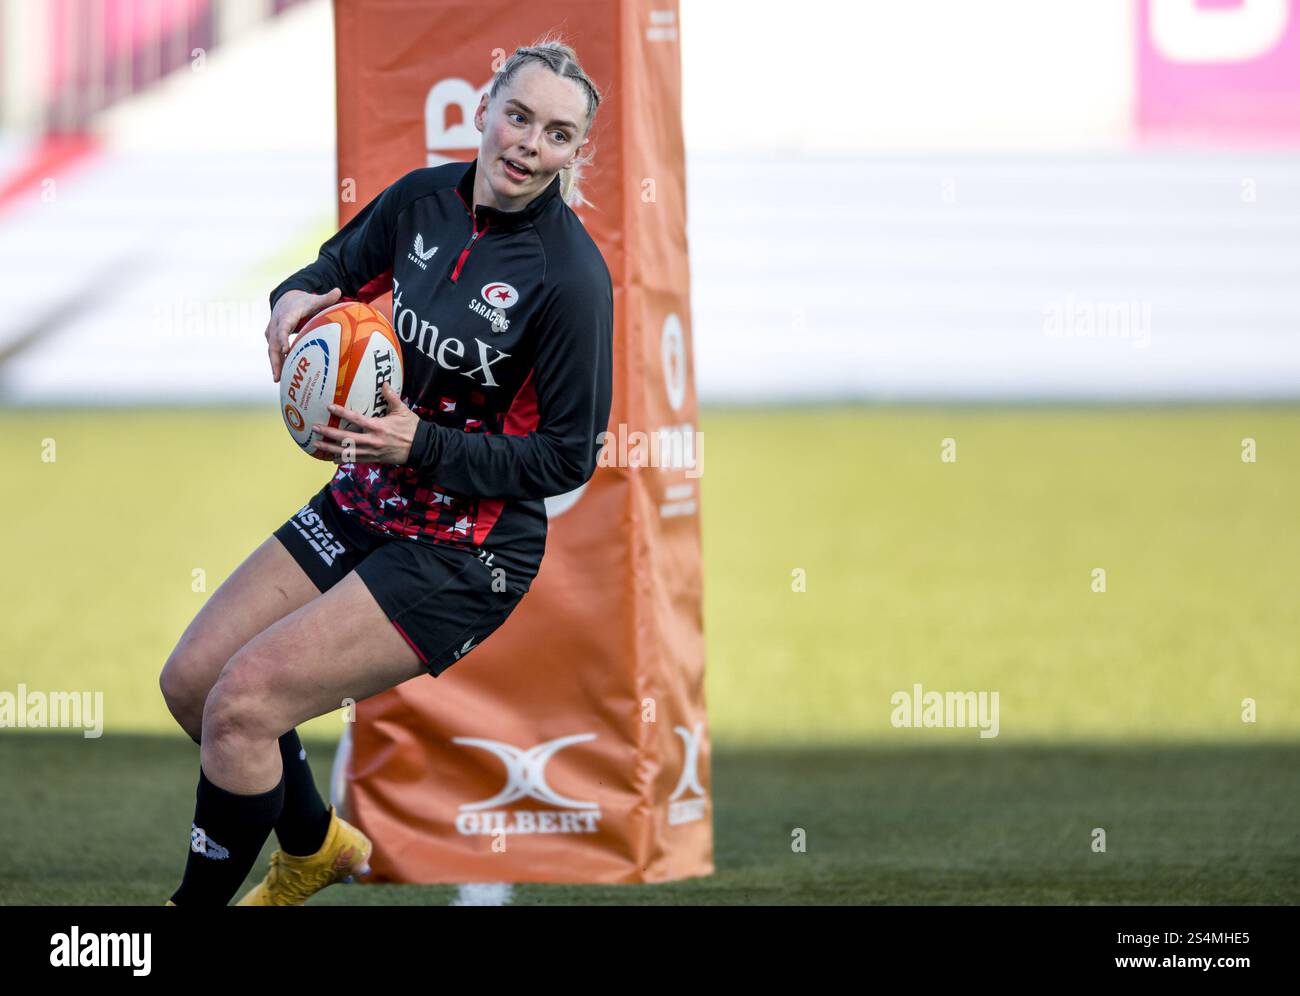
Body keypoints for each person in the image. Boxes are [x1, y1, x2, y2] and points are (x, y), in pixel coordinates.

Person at [158, 36, 612, 906]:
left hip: (467, 552)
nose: (528, 144)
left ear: (574, 152)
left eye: (556, 134)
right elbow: (330, 270)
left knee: (244, 707)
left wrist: (421, 444)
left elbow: (566, 456)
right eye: (517, 116)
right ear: (483, 112)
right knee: (191, 686)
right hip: (369, 498)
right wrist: (290, 299)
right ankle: (314, 845)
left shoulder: (571, 280)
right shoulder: (423, 201)